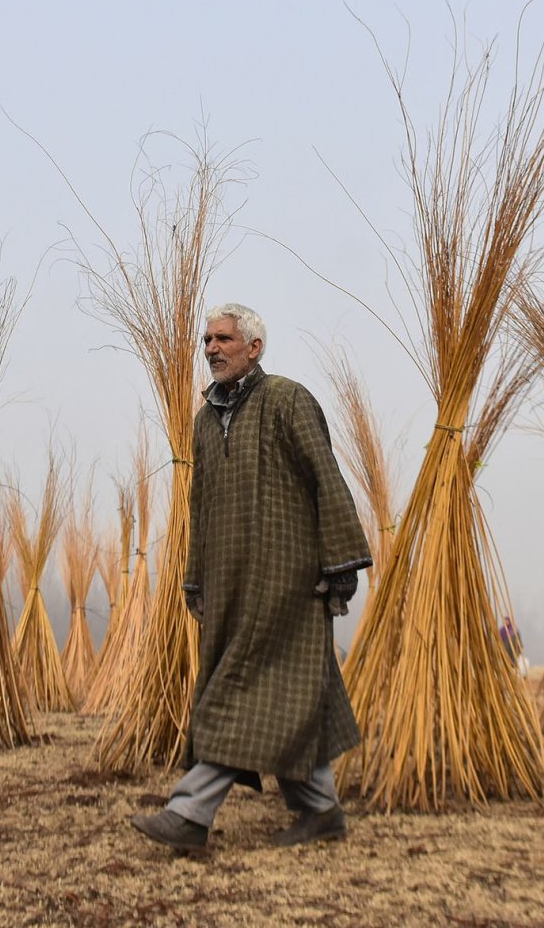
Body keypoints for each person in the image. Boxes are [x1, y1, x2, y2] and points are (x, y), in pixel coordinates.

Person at [130, 303, 373, 854]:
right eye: (206, 340)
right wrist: (196, 578)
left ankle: (189, 813)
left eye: (223, 339)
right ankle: (322, 810)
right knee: (288, 697)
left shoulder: (288, 400)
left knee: (234, 690)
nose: (211, 348)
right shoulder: (203, 422)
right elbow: (201, 505)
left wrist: (339, 566)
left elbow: (327, 479)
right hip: (231, 584)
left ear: (254, 347)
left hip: (289, 582)